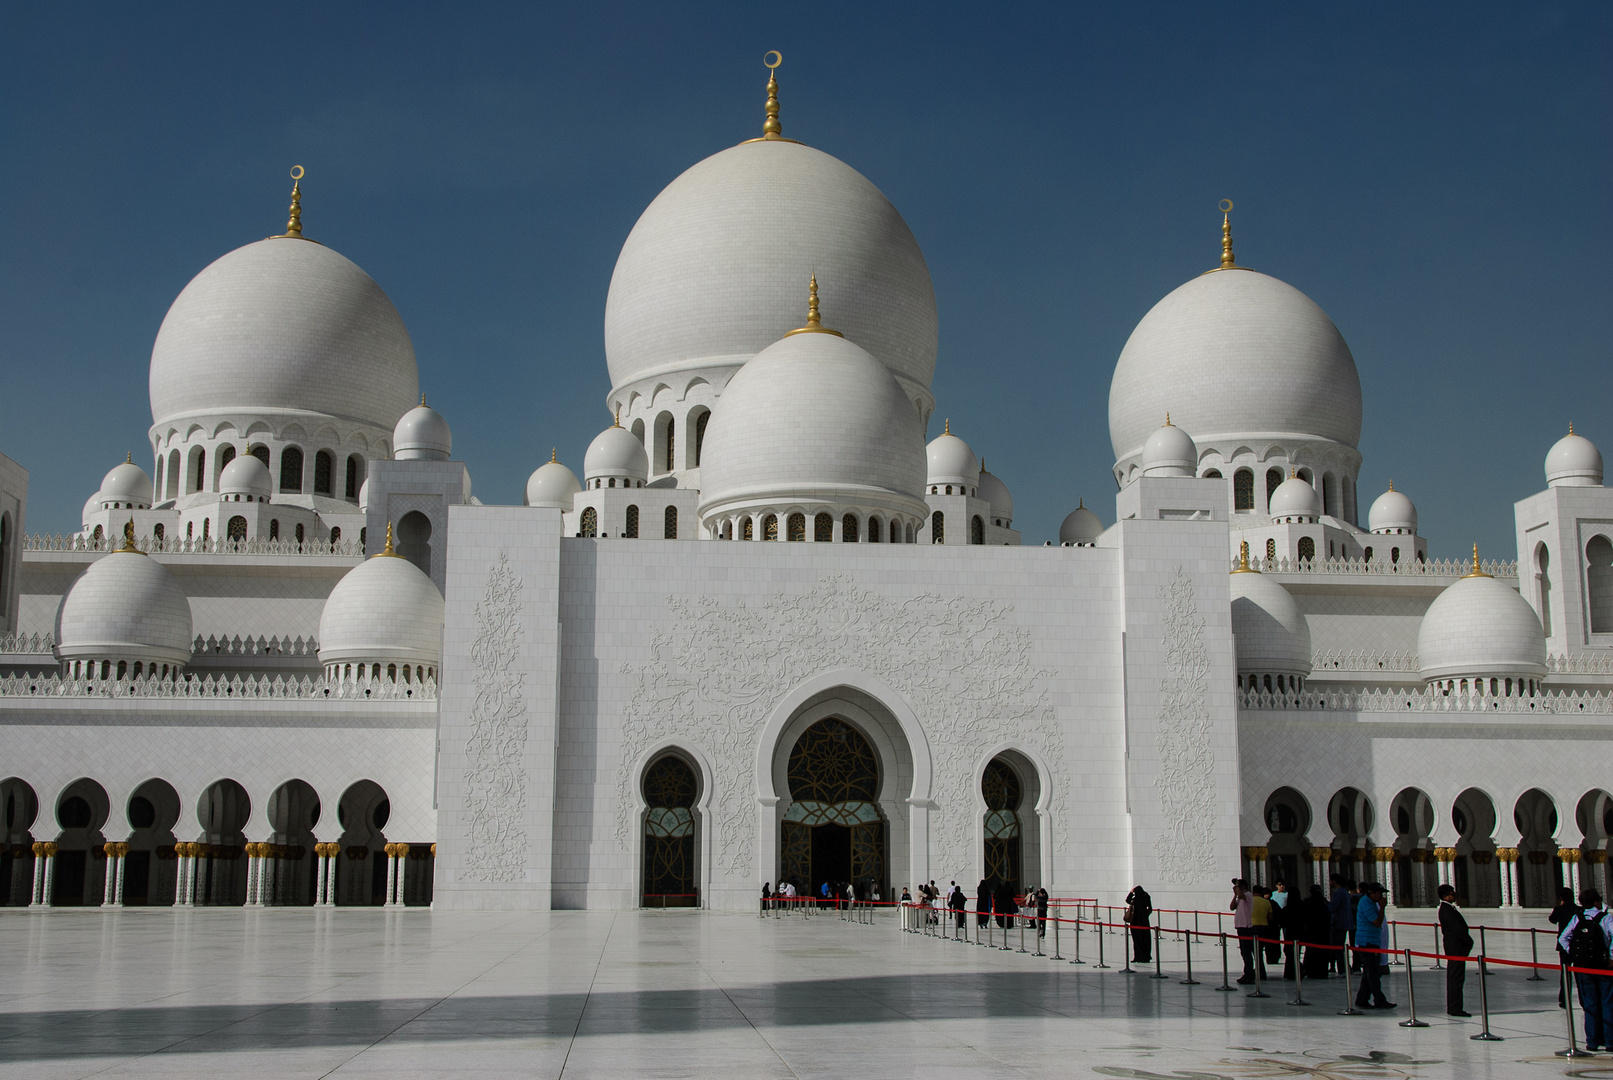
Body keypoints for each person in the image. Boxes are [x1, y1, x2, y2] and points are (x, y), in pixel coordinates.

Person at [1557, 888, 1613, 1051]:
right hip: (1602, 967)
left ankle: (1592, 1041)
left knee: (1590, 1004)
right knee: (1607, 1002)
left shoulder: (1578, 917)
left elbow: (1563, 938)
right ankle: (1609, 1041)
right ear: (1596, 901)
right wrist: (1610, 957)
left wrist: (1575, 955)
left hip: (1583, 968)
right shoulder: (1605, 918)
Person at [1353, 882, 1395, 1009]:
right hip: (1367, 942)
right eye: (1379, 894)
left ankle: (1362, 999)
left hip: (1372, 941)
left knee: (1369, 972)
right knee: (1373, 973)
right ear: (1373, 893)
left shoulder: (1370, 903)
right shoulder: (1367, 904)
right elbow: (1377, 922)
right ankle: (1379, 999)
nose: (1381, 897)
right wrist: (1382, 908)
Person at [1437, 884, 1474, 1016]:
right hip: (1455, 949)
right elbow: (1457, 930)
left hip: (1455, 948)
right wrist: (1469, 942)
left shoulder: (1447, 909)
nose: (1454, 896)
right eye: (1452, 894)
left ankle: (1455, 1007)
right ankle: (1454, 1008)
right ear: (1445, 896)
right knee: (1455, 979)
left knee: (1456, 978)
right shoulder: (1447, 910)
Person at [1553, 886, 1580, 1009]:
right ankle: (1583, 999)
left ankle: (1564, 999)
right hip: (1578, 945)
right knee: (1580, 973)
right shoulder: (1578, 910)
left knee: (1565, 973)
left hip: (1564, 946)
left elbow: (1552, 920)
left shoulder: (1559, 909)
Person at [1302, 883, 1333, 979]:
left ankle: (1311, 971)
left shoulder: (1307, 903)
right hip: (1323, 933)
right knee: (1322, 953)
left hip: (1312, 933)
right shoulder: (1324, 904)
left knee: (1311, 953)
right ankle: (1322, 972)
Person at [1231, 878, 1258, 983]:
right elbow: (1232, 907)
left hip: (1246, 927)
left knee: (1247, 952)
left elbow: (1241, 895)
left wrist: (1236, 888)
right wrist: (1234, 895)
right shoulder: (1240, 898)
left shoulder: (1248, 895)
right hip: (1240, 927)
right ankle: (1247, 972)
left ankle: (1249, 974)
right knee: (1244, 952)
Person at [1327, 874, 1351, 975]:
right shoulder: (1344, 892)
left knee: (1338, 947)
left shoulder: (1340, 892)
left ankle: (1342, 969)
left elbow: (1333, 907)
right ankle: (1342, 967)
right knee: (1339, 947)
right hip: (1343, 923)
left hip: (1339, 923)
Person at [1251, 886, 1277, 971]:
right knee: (1261, 950)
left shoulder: (1249, 901)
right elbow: (1270, 917)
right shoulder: (1266, 902)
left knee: (1255, 951)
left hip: (1253, 927)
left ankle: (1259, 970)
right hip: (1264, 927)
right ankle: (1261, 970)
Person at [1126, 885, 1153, 964]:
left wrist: (1131, 892)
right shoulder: (1146, 897)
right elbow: (1150, 909)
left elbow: (1127, 900)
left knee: (1137, 940)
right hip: (1144, 922)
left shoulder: (1135, 899)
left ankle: (1138, 957)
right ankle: (1146, 956)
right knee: (1145, 940)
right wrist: (1145, 915)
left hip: (1135, 921)